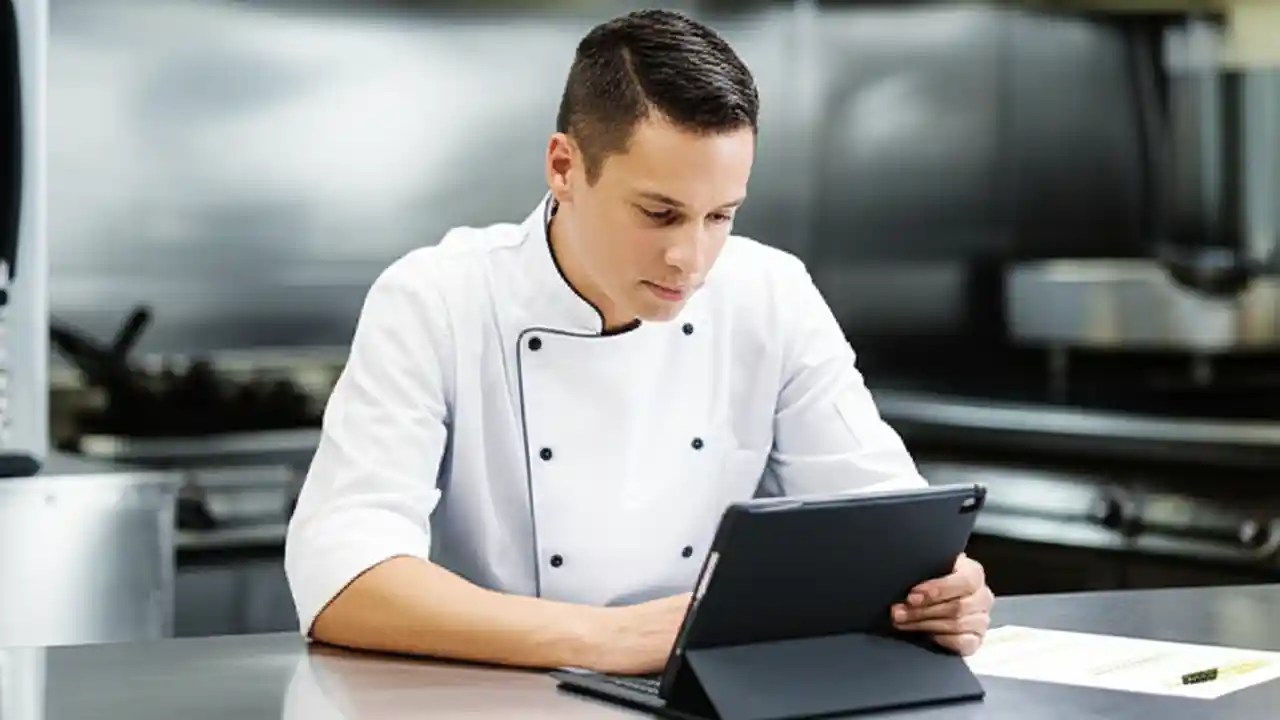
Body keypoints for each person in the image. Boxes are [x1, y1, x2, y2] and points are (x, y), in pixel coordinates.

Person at [284, 8, 994, 676]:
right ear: (564, 167)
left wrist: (940, 589)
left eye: (721, 216)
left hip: (703, 695)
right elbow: (343, 577)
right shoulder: (437, 300)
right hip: (489, 698)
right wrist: (609, 638)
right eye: (660, 214)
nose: (692, 258)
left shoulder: (771, 294)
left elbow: (882, 525)